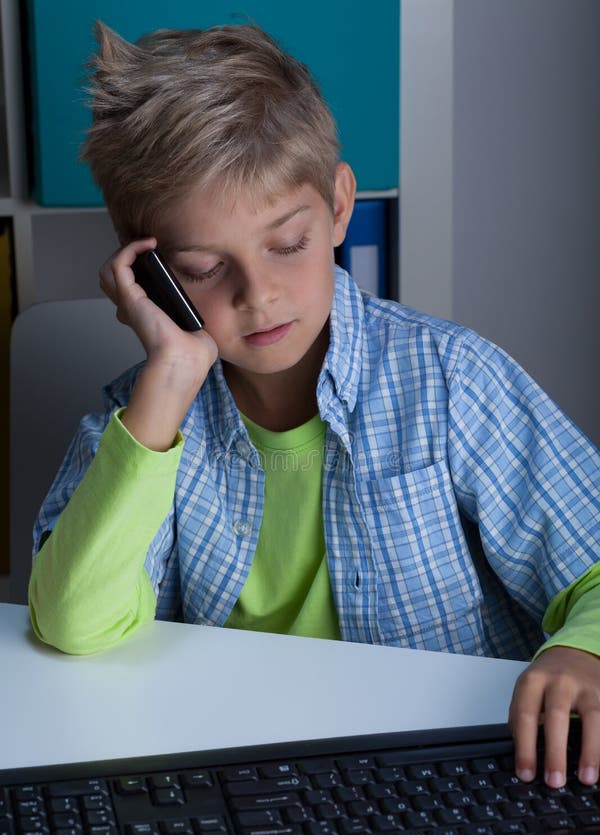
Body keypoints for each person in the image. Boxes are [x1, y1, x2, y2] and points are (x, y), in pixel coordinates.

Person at [29, 21, 600, 792]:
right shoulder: (138, 429)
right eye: (201, 268)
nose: (257, 295)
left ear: (337, 207)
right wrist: (169, 375)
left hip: (442, 774)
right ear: (149, 274)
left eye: (287, 245)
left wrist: (583, 650)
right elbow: (73, 623)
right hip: (243, 779)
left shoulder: (451, 381)